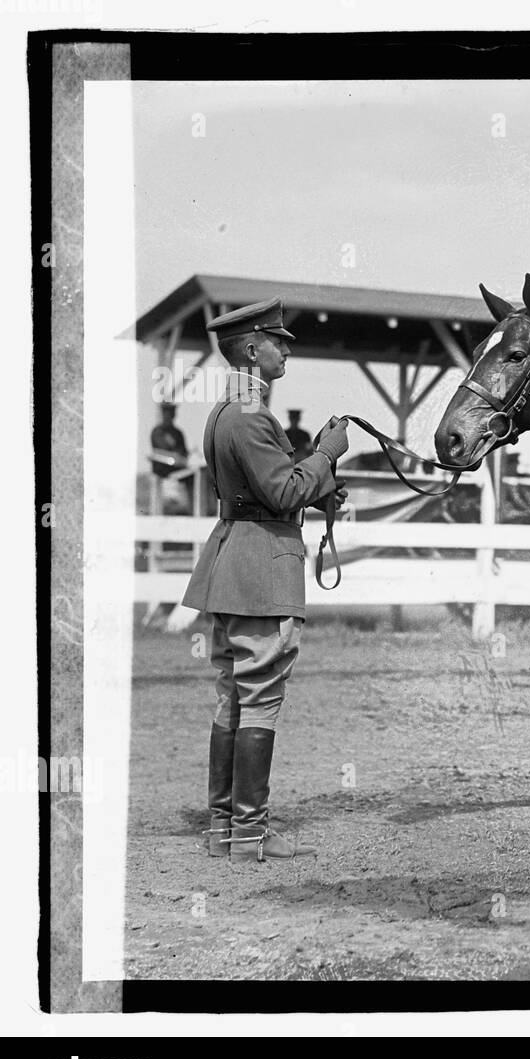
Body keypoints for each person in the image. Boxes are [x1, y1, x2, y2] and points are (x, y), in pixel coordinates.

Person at [181, 298, 351, 861]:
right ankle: (250, 832)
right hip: (261, 570)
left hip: (231, 563)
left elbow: (264, 487)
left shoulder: (224, 412)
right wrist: (325, 456)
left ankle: (222, 829)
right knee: (259, 697)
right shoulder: (252, 415)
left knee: (232, 694)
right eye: (279, 342)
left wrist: (315, 481)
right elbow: (281, 494)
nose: (287, 350)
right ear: (252, 350)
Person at [149, 403, 191, 512]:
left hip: (178, 470)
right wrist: (175, 455)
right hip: (162, 471)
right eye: (167, 413)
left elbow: (183, 452)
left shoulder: (178, 433)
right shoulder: (157, 432)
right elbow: (162, 450)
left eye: (171, 413)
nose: (169, 416)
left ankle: (191, 509)